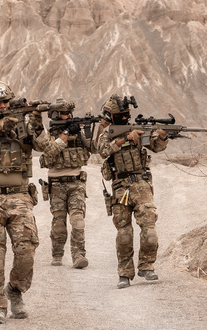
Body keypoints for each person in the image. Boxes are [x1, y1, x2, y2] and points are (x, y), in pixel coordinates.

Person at [0, 81, 67, 324]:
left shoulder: (27, 123)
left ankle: (15, 290)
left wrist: (37, 126)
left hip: (20, 195)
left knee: (26, 251)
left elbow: (50, 151)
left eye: (6, 102)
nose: (2, 106)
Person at [96, 94, 169, 289]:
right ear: (112, 117)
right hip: (120, 186)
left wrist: (162, 135)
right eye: (120, 115)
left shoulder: (138, 129)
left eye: (126, 114)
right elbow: (102, 151)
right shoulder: (108, 133)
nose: (125, 117)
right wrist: (124, 139)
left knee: (149, 226)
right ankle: (125, 274)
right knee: (124, 233)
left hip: (142, 183)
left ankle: (147, 266)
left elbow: (156, 147)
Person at [40, 99, 95, 269]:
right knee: (59, 223)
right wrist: (65, 134)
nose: (69, 115)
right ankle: (57, 253)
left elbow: (95, 148)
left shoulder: (77, 132)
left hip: (76, 182)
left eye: (70, 112)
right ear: (56, 114)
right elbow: (47, 155)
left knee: (78, 220)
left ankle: (79, 255)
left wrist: (99, 128)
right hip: (56, 184)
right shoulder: (47, 134)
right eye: (65, 113)